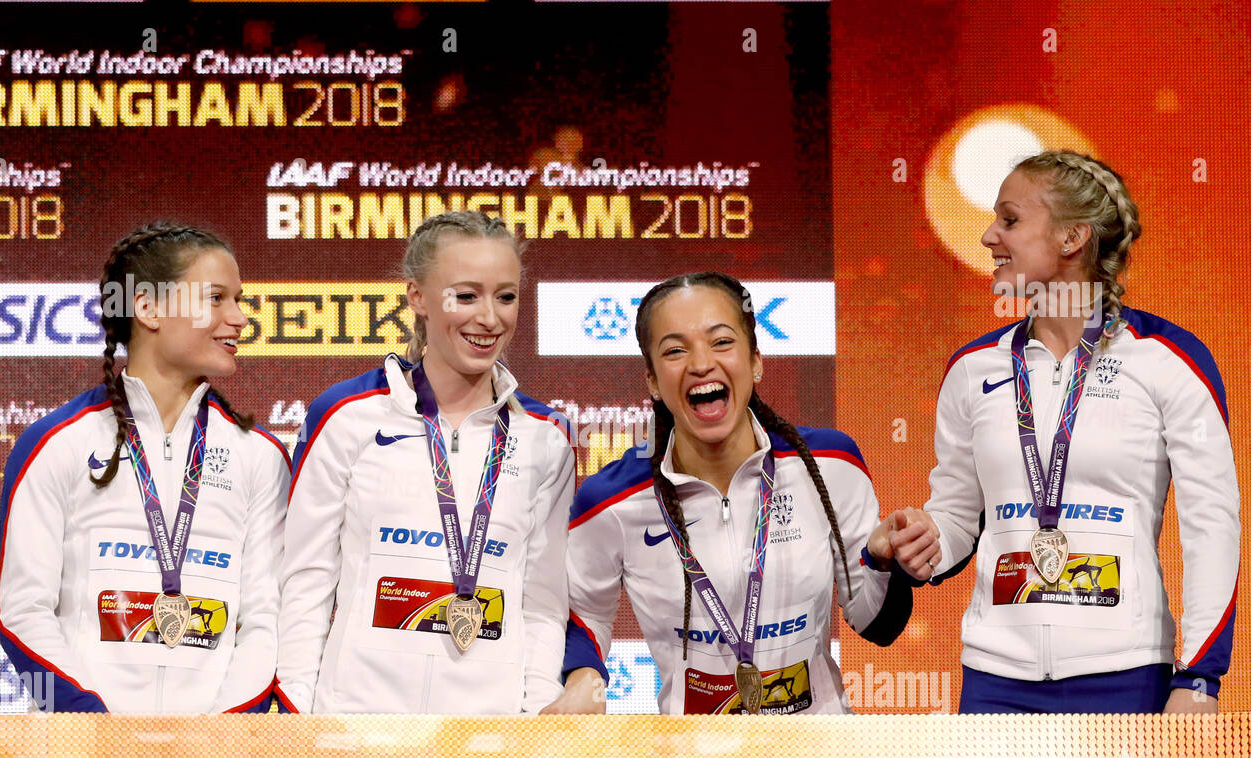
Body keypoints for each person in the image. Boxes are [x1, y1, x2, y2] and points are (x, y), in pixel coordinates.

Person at [892, 150, 1238, 714]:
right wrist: (923, 538)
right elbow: (958, 518)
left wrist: (1199, 678)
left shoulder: (1170, 361)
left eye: (1009, 219)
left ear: (1073, 237)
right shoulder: (972, 370)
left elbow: (1212, 528)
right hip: (995, 680)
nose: (986, 237)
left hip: (1125, 676)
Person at [557, 272, 913, 715]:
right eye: (675, 350)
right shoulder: (610, 500)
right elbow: (584, 616)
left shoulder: (828, 464)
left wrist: (881, 564)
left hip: (820, 757)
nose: (701, 362)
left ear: (756, 361)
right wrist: (584, 680)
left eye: (721, 342)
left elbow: (876, 626)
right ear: (651, 381)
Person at [274, 210, 573, 714]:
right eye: (466, 295)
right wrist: (298, 712)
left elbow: (542, 604)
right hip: (356, 730)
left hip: (490, 738)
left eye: (506, 296)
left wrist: (534, 716)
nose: (490, 318)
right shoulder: (347, 415)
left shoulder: (545, 437)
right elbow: (306, 578)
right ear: (417, 298)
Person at [0, 222, 290, 713]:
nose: (240, 318)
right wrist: (92, 726)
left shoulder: (259, 456)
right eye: (216, 298)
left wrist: (225, 735)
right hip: (83, 755)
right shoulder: (56, 443)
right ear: (148, 307)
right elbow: (22, 614)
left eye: (238, 299)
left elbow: (266, 621)